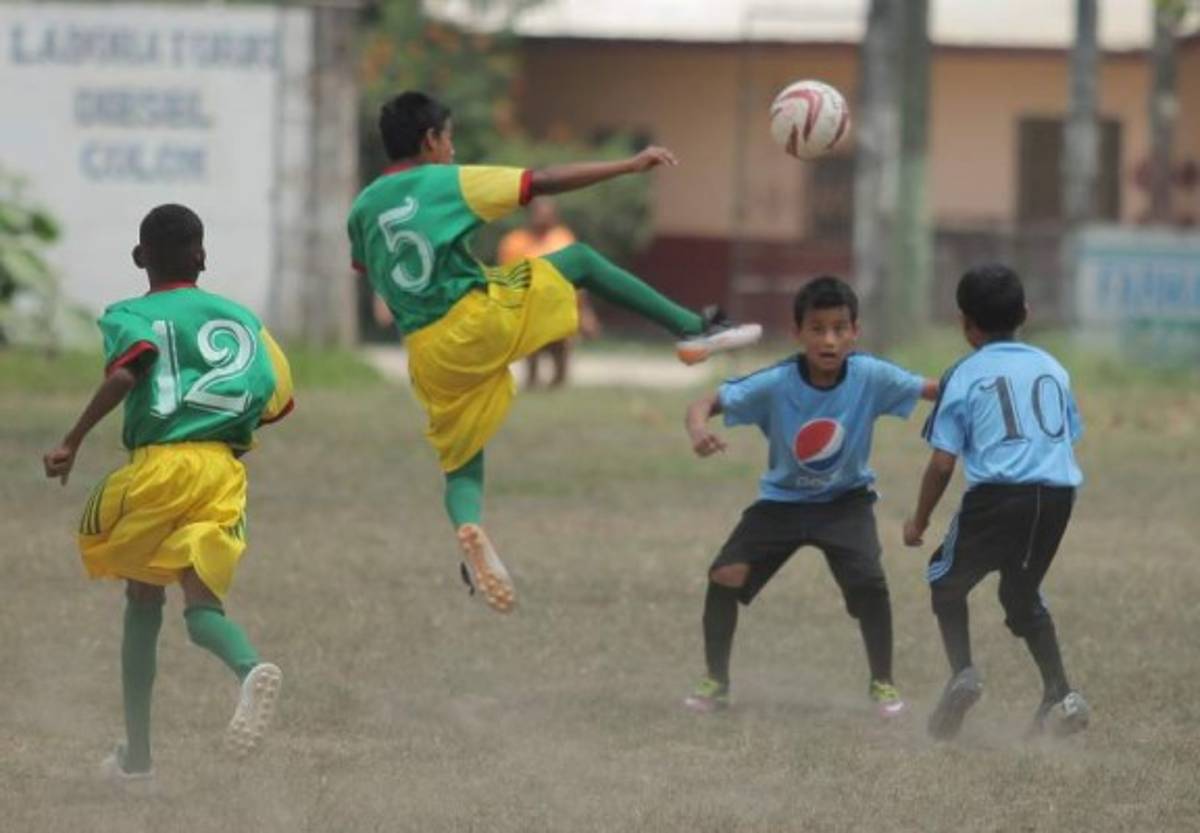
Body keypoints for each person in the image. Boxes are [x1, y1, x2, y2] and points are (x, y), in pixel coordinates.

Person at [347, 91, 761, 614]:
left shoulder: (361, 207)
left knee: (461, 465)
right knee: (581, 260)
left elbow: (369, 270)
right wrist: (628, 165)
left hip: (427, 352)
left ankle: (470, 528)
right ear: (430, 140)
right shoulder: (445, 180)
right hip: (475, 320)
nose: (452, 150)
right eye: (448, 139)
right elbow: (539, 181)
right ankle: (690, 328)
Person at [43, 204, 294, 781]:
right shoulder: (242, 319)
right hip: (222, 470)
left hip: (160, 466)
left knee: (142, 596)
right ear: (202, 256)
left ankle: (138, 758)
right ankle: (248, 667)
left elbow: (130, 369)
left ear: (139, 257)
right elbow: (276, 398)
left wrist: (73, 439)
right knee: (201, 604)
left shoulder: (128, 312)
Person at [682, 276, 938, 717]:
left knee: (870, 584)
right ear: (798, 332)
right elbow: (703, 403)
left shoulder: (871, 376)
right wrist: (699, 431)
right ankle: (716, 683)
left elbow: (931, 389)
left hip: (846, 502)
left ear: (855, 331)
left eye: (840, 328)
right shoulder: (777, 383)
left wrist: (981, 389)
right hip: (782, 504)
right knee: (725, 574)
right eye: (817, 329)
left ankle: (883, 683)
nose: (829, 340)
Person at [903, 263, 1090, 741]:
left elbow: (943, 464)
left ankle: (963, 673)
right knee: (1020, 594)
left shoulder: (963, 375)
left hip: (998, 496)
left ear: (965, 324)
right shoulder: (1053, 368)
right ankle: (1060, 695)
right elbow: (1067, 435)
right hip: (1056, 496)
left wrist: (918, 520)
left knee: (945, 581)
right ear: (1025, 312)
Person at [497, 197, 601, 388]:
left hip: (560, 311)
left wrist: (585, 313)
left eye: (548, 213)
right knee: (531, 357)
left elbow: (579, 278)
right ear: (530, 215)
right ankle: (533, 385)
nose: (543, 218)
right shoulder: (514, 242)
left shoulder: (564, 238)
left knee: (561, 362)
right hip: (529, 312)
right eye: (539, 213)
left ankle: (558, 391)